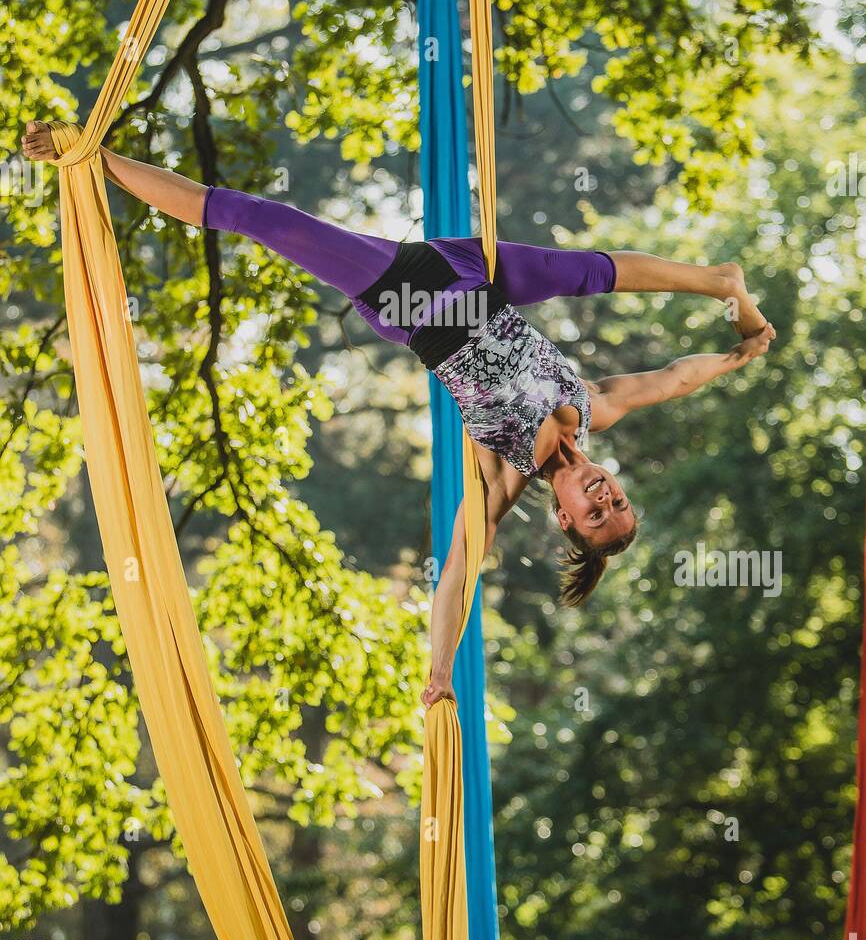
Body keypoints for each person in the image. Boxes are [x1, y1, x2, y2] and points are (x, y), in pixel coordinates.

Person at [22, 120, 775, 708]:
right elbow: (678, 379)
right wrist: (740, 354)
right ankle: (718, 281)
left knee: (268, 220)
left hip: (415, 302)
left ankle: (91, 158)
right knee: (593, 272)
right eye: (618, 501)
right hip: (485, 275)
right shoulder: (595, 410)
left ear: (565, 521)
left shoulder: (501, 477)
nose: (605, 497)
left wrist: (439, 672)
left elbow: (454, 582)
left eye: (596, 515)